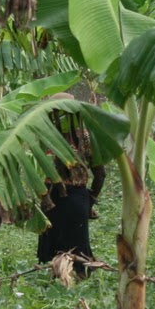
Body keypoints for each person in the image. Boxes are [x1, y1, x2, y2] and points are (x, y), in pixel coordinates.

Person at [35, 99, 105, 278]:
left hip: (49, 196)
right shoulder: (86, 136)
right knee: (78, 245)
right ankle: (78, 279)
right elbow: (100, 174)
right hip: (76, 196)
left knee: (53, 244)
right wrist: (90, 200)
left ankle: (56, 281)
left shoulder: (43, 136)